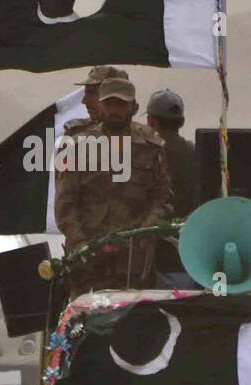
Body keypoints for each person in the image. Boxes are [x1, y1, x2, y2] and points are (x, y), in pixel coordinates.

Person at [54, 78, 173, 297]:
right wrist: (81, 244)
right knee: (86, 326)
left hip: (134, 264)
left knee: (135, 325)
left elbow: (162, 198)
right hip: (88, 262)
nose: (114, 111)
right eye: (109, 104)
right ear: (100, 106)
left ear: (134, 108)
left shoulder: (151, 147)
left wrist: (145, 232)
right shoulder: (79, 146)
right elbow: (65, 204)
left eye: (121, 105)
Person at [145, 89, 199, 218]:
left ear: (151, 121)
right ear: (182, 122)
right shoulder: (195, 152)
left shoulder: (144, 153)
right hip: (187, 228)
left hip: (150, 230)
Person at [65, 66, 129, 136]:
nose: (84, 101)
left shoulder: (140, 137)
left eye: (92, 93)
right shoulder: (75, 131)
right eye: (86, 93)